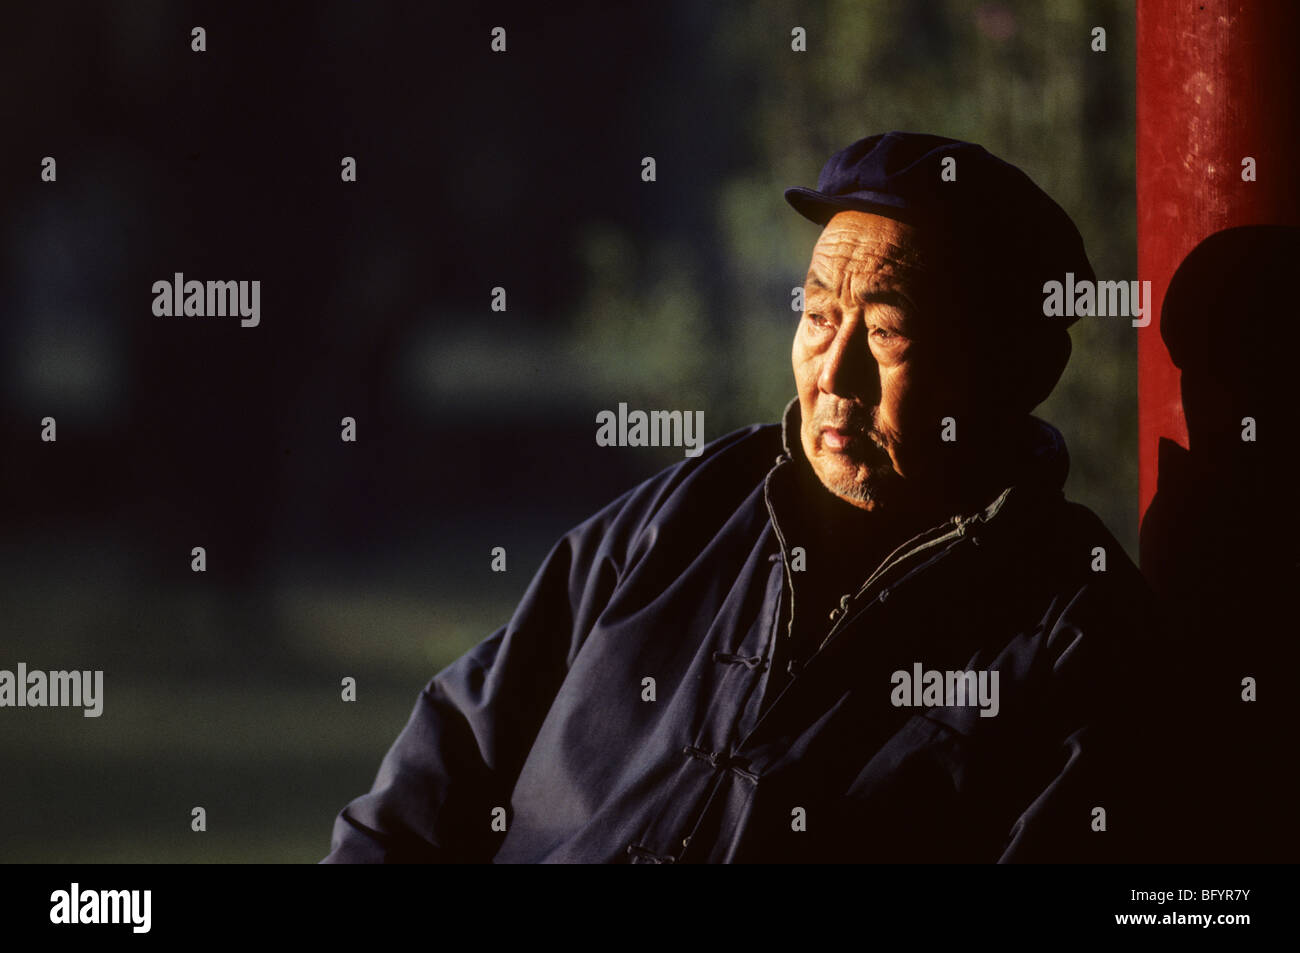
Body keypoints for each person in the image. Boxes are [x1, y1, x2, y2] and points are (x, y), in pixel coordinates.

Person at [323, 132, 1164, 864]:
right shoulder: (693, 507)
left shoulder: (1072, 637)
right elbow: (452, 754)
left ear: (1014, 371)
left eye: (885, 330)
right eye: (818, 314)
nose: (833, 373)